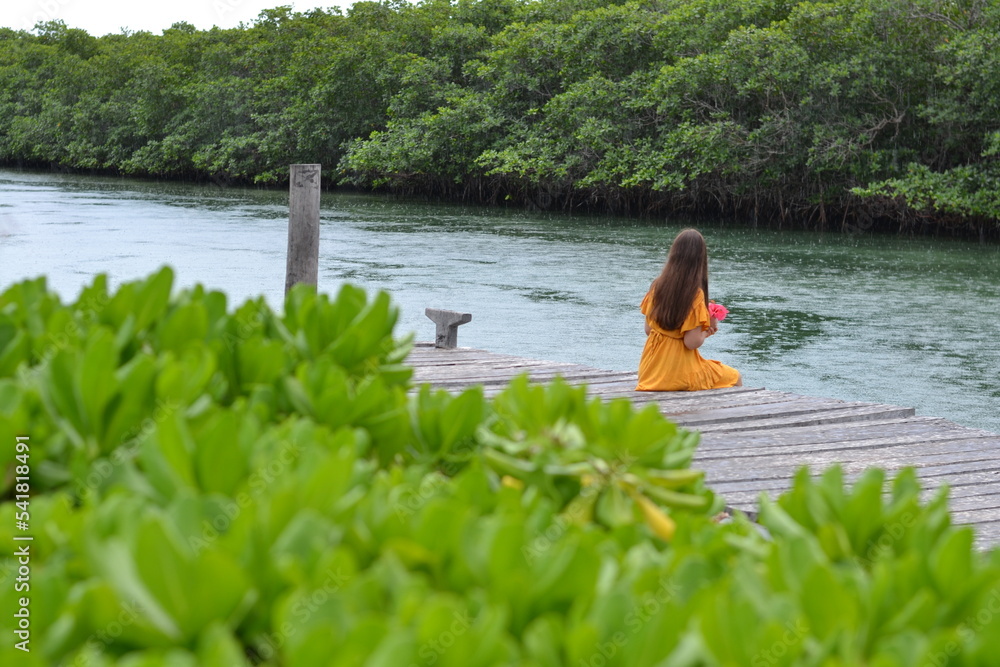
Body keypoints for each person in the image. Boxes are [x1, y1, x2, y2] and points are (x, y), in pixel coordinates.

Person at [636, 228, 742, 391]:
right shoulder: (695, 294)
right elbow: (691, 343)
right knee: (734, 377)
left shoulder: (657, 285)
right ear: (700, 259)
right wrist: (706, 332)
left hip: (649, 370)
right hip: (678, 371)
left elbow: (648, 330)